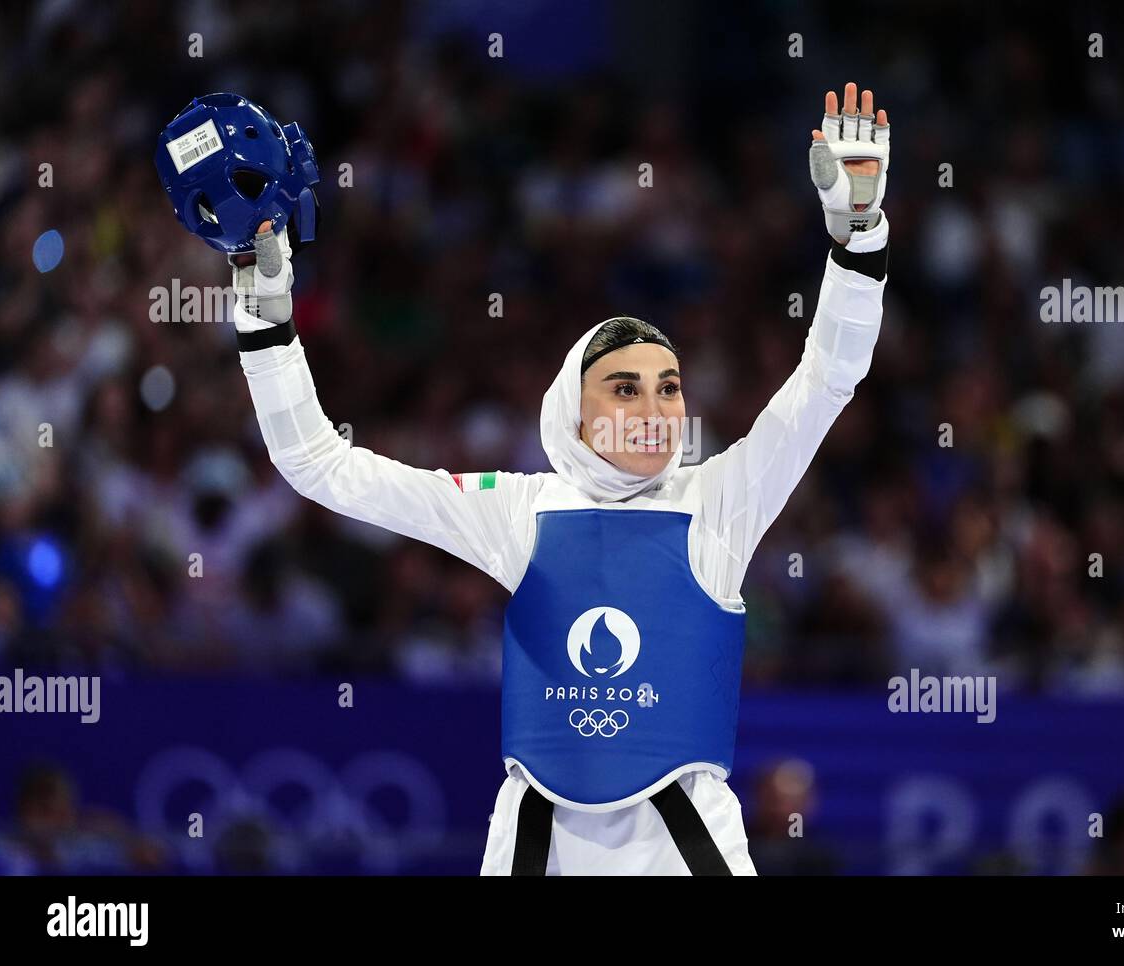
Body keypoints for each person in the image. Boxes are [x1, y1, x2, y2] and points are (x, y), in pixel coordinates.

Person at [229, 82, 891, 874]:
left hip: (686, 848)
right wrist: (266, 320)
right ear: (570, 416)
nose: (655, 407)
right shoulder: (519, 509)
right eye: (625, 387)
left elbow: (829, 377)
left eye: (669, 386)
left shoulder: (720, 500)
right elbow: (319, 465)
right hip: (535, 846)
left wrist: (857, 239)